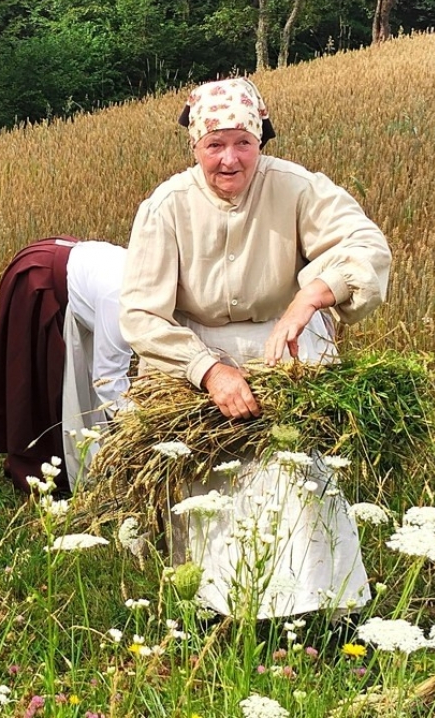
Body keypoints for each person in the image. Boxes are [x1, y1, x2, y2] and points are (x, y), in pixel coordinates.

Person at [119, 77, 392, 620]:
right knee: (210, 482)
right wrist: (209, 370)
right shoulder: (166, 206)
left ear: (261, 138)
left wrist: (310, 298)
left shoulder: (296, 187)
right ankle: (216, 609)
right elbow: (141, 314)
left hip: (282, 347)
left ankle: (320, 612)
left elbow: (365, 245)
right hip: (191, 356)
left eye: (242, 142)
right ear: (194, 146)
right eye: (214, 145)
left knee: (294, 476)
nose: (229, 159)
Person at [0, 239, 133, 494]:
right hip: (38, 281)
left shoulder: (155, 288)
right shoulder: (121, 298)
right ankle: (36, 467)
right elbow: (108, 378)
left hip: (69, 268)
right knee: (37, 379)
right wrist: (140, 424)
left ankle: (75, 455)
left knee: (72, 380)